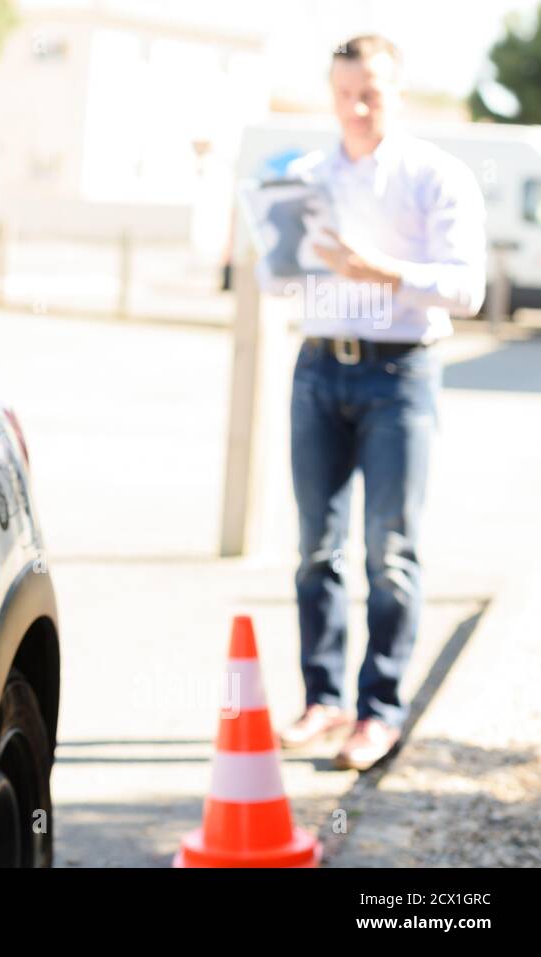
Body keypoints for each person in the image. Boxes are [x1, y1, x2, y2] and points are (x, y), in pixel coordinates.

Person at [273, 36, 486, 770]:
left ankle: (380, 711)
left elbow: (468, 288)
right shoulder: (302, 178)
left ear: (398, 91)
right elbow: (280, 280)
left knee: (390, 552)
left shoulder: (437, 175)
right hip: (318, 369)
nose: (356, 108)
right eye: (343, 94)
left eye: (371, 93)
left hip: (401, 375)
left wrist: (380, 270)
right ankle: (323, 698)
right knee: (316, 549)